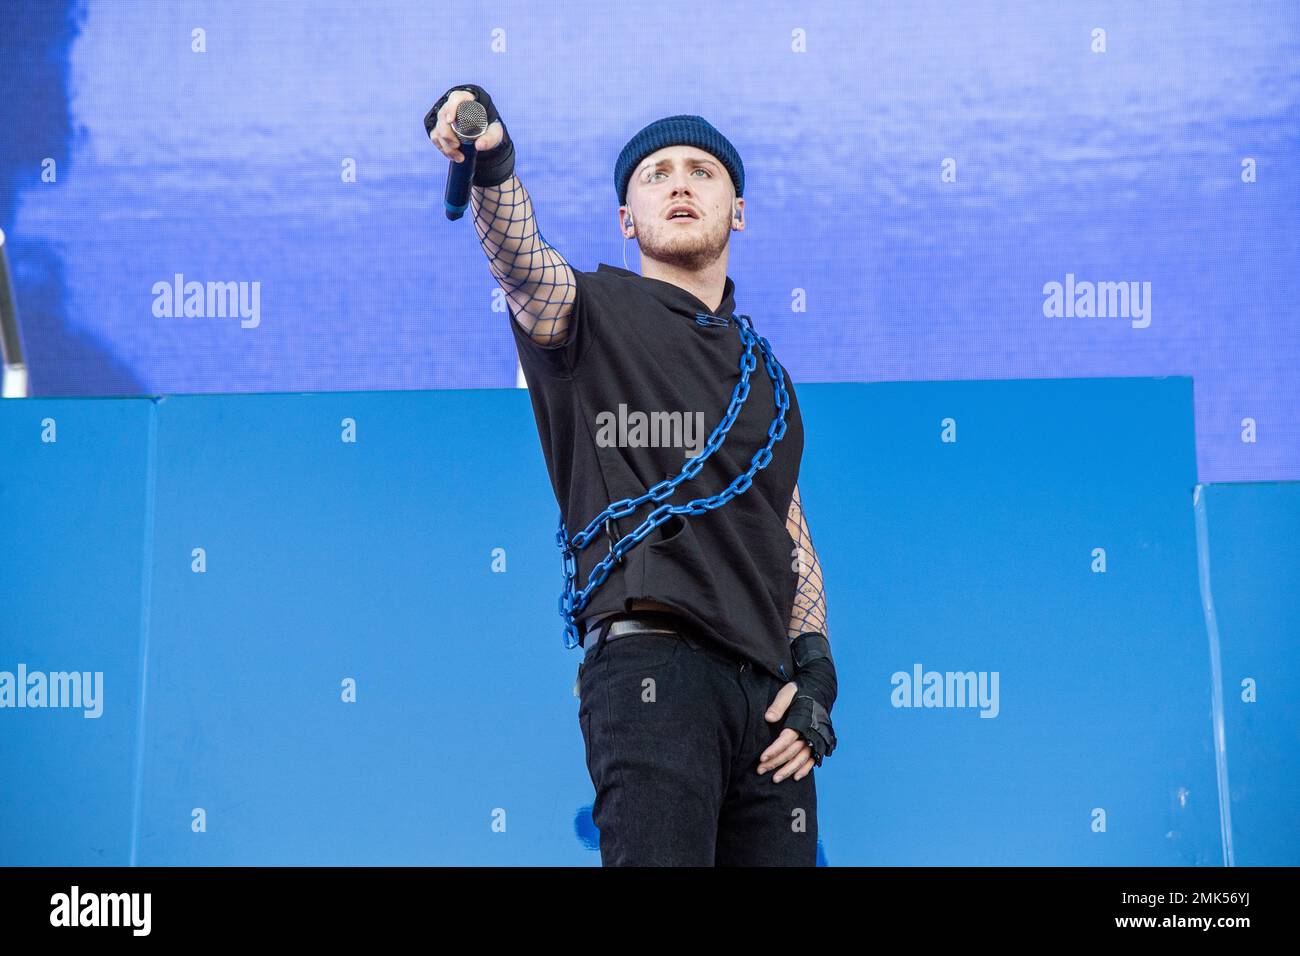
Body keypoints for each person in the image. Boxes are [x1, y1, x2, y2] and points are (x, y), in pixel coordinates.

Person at [425, 86, 839, 865]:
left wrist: (815, 675)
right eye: (656, 174)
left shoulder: (768, 379)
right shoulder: (590, 309)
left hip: (768, 706)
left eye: (701, 171)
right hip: (655, 670)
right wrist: (493, 161)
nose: (679, 184)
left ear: (738, 211)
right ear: (627, 219)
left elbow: (788, 530)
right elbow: (521, 261)